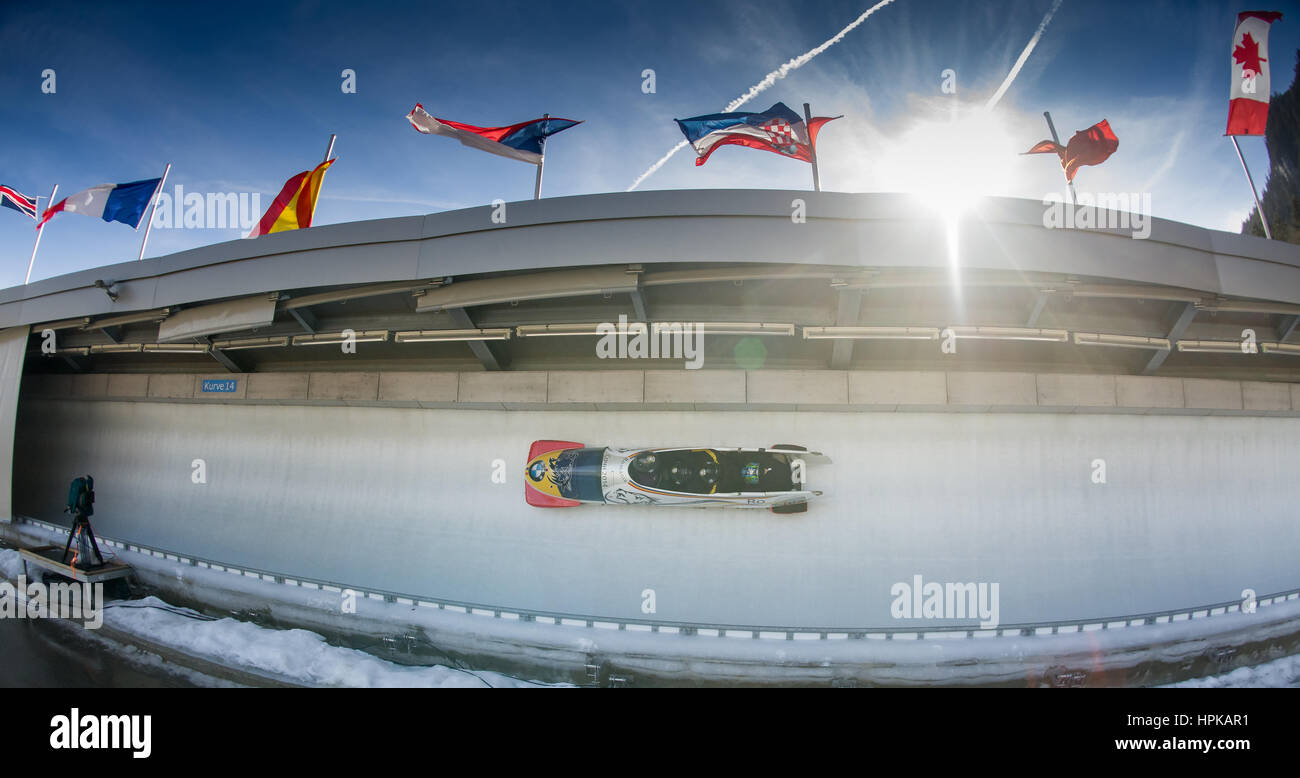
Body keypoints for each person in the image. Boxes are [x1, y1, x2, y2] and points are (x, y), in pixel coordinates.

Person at [62, 475, 104, 569]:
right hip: (83, 513)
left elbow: (73, 499)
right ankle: (98, 559)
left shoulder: (77, 487)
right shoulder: (83, 487)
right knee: (88, 537)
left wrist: (71, 507)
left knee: (81, 535)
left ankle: (64, 559)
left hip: (81, 513)